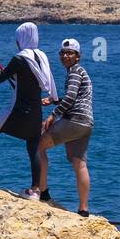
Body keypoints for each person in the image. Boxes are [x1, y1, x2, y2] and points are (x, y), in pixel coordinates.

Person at [0, 22, 57, 199]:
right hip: (36, 112)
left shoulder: (19, 59)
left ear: (21, 38)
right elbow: (26, 80)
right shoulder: (41, 57)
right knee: (33, 147)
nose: (17, 42)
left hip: (17, 110)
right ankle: (35, 190)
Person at [39, 38, 94, 216]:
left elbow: (70, 99)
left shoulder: (74, 72)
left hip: (74, 119)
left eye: (70, 53)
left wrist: (53, 114)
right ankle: (83, 210)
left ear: (77, 56)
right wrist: (55, 100)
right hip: (86, 123)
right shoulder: (81, 72)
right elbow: (75, 98)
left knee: (37, 145)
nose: (65, 56)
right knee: (80, 164)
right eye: (62, 53)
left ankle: (42, 191)